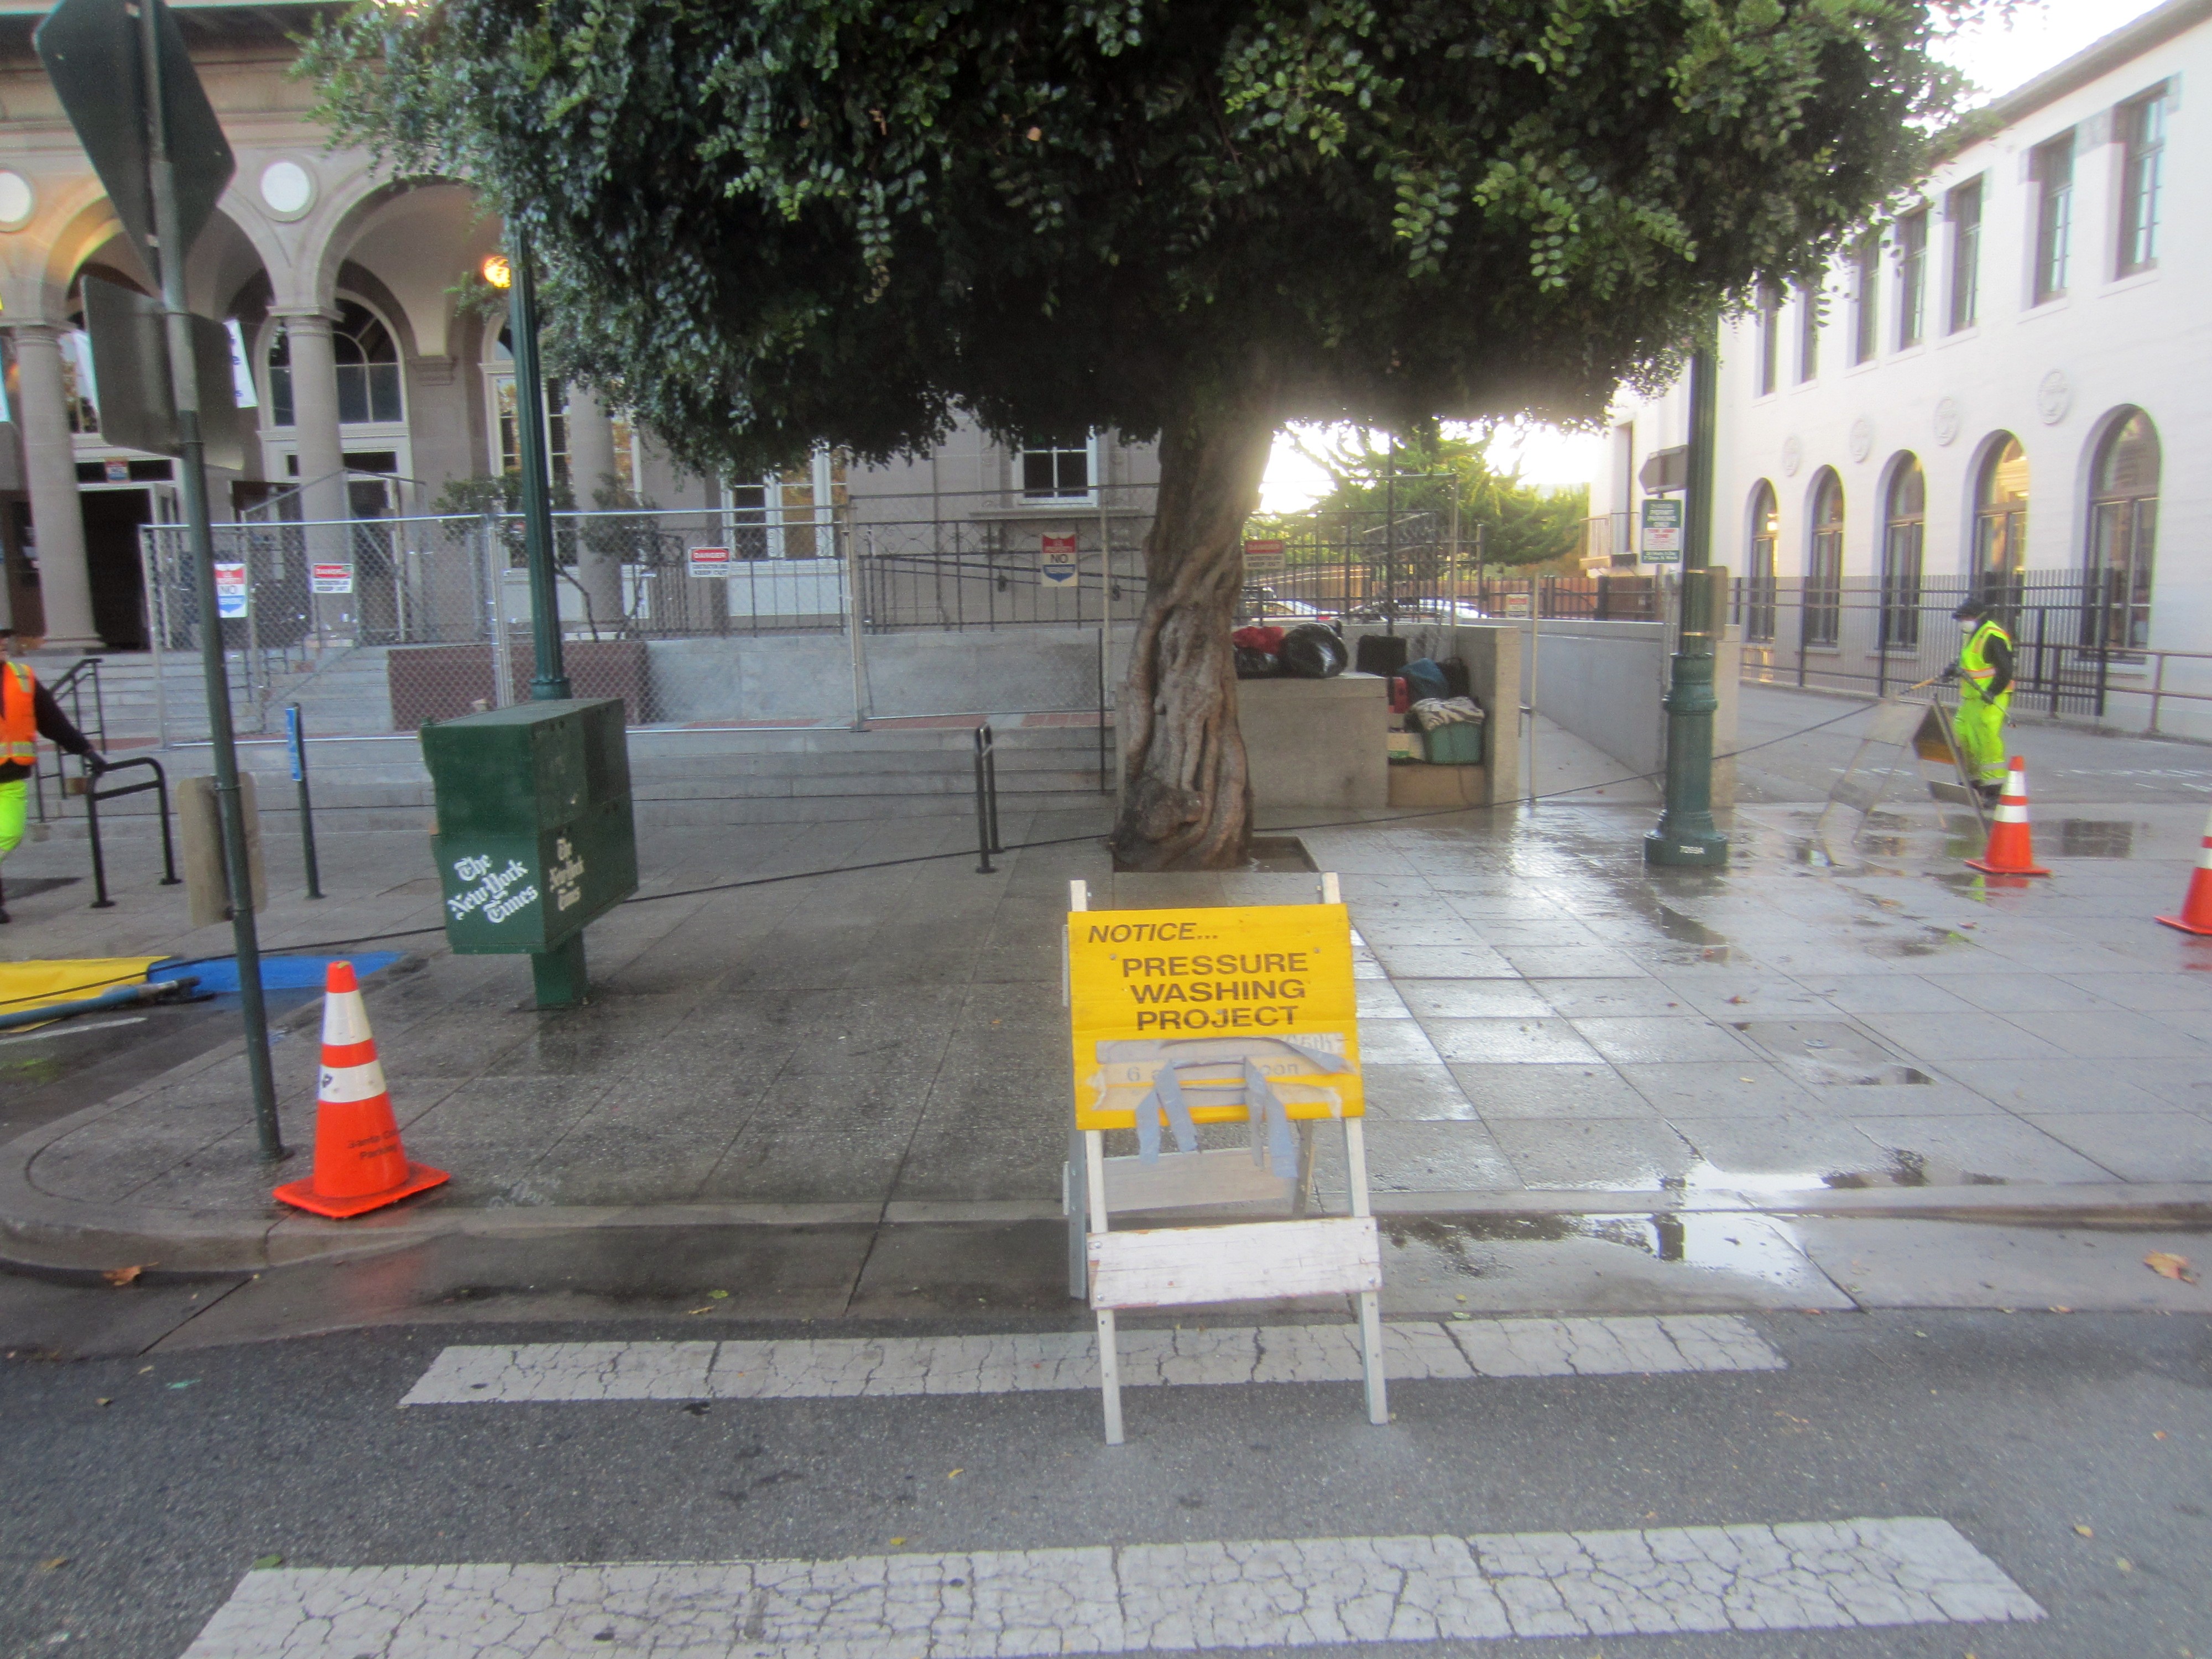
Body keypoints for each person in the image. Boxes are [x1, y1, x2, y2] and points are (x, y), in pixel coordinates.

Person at [0, 629, 107, 922]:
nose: (2, 643)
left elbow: (52, 721)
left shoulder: (22, 676)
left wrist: (85, 750)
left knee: (9, 834)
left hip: (10, 778)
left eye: (3, 638)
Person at [1940, 597, 2012, 804]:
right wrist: (1953, 669)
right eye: (1961, 618)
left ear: (1979, 617)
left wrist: (1993, 691)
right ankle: (1972, 783)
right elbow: (1969, 662)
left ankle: (1994, 788)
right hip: (1972, 698)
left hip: (1990, 697)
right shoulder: (1973, 635)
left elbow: (2006, 669)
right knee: (1962, 737)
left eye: (1966, 617)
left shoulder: (1993, 636)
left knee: (1985, 741)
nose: (1964, 621)